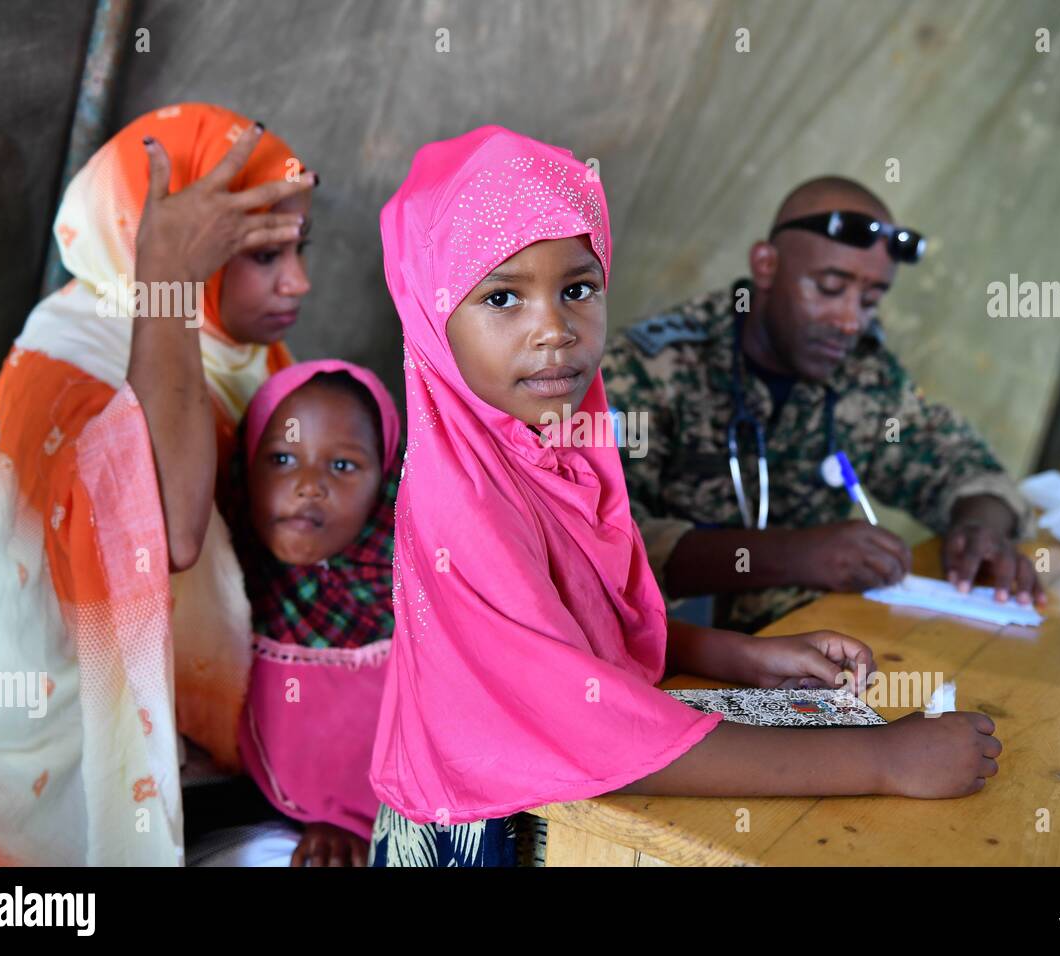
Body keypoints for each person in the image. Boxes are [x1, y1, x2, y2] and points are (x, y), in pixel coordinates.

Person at [366, 127, 1002, 868]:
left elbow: (586, 636)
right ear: (429, 316)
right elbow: (583, 724)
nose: (555, 332)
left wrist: (738, 656)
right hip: (481, 834)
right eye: (502, 296)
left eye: (578, 289)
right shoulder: (466, 501)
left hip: (565, 810)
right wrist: (881, 760)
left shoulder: (557, 452)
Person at [0, 103, 317, 865]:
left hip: (232, 760)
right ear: (155, 245)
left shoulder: (239, 355)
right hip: (70, 793)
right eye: (261, 255)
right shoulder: (61, 376)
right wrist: (170, 282)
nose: (300, 283)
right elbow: (170, 534)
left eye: (300, 248)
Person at [601, 176, 1042, 634]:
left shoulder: (862, 371)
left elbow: (954, 461)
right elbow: (605, 544)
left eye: (871, 300)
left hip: (817, 646)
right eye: (830, 288)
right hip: (670, 658)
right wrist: (796, 555)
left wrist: (981, 526)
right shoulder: (651, 368)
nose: (851, 321)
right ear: (766, 266)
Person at [226, 360, 401, 867]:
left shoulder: (415, 592)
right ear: (245, 463)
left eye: (342, 466)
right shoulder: (227, 584)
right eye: (282, 459)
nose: (308, 485)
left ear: (385, 480)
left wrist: (350, 820)